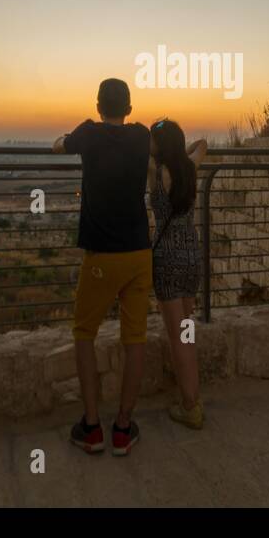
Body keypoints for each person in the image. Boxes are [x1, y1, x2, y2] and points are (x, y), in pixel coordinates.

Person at [53, 78, 152, 456]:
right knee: (135, 339)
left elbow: (60, 146)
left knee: (83, 332)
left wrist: (65, 139)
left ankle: (92, 426)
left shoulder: (88, 134)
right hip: (139, 253)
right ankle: (123, 428)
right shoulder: (142, 135)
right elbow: (166, 141)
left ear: (98, 106)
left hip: (101, 256)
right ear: (129, 108)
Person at [148, 119, 207, 429]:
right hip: (191, 255)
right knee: (187, 331)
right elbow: (203, 144)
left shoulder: (155, 172)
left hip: (167, 258)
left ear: (159, 145)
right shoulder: (189, 168)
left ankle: (190, 406)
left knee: (177, 337)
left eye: (151, 140)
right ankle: (193, 396)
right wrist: (181, 154)